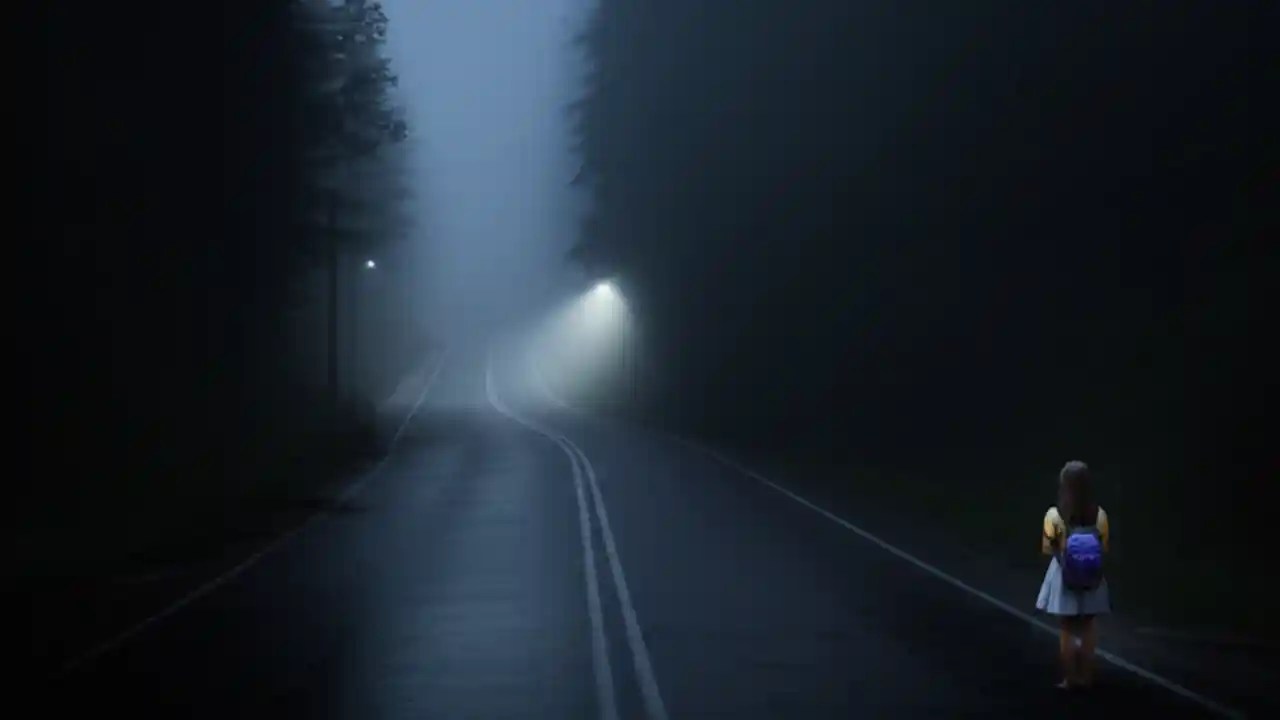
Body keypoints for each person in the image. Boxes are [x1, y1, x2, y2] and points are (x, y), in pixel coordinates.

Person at [1036, 460, 1111, 689]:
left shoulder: (1053, 516)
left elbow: (1048, 549)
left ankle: (1070, 678)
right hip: (1091, 576)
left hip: (1064, 578)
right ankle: (1086, 676)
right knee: (1088, 627)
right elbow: (1103, 547)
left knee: (1067, 629)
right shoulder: (1099, 515)